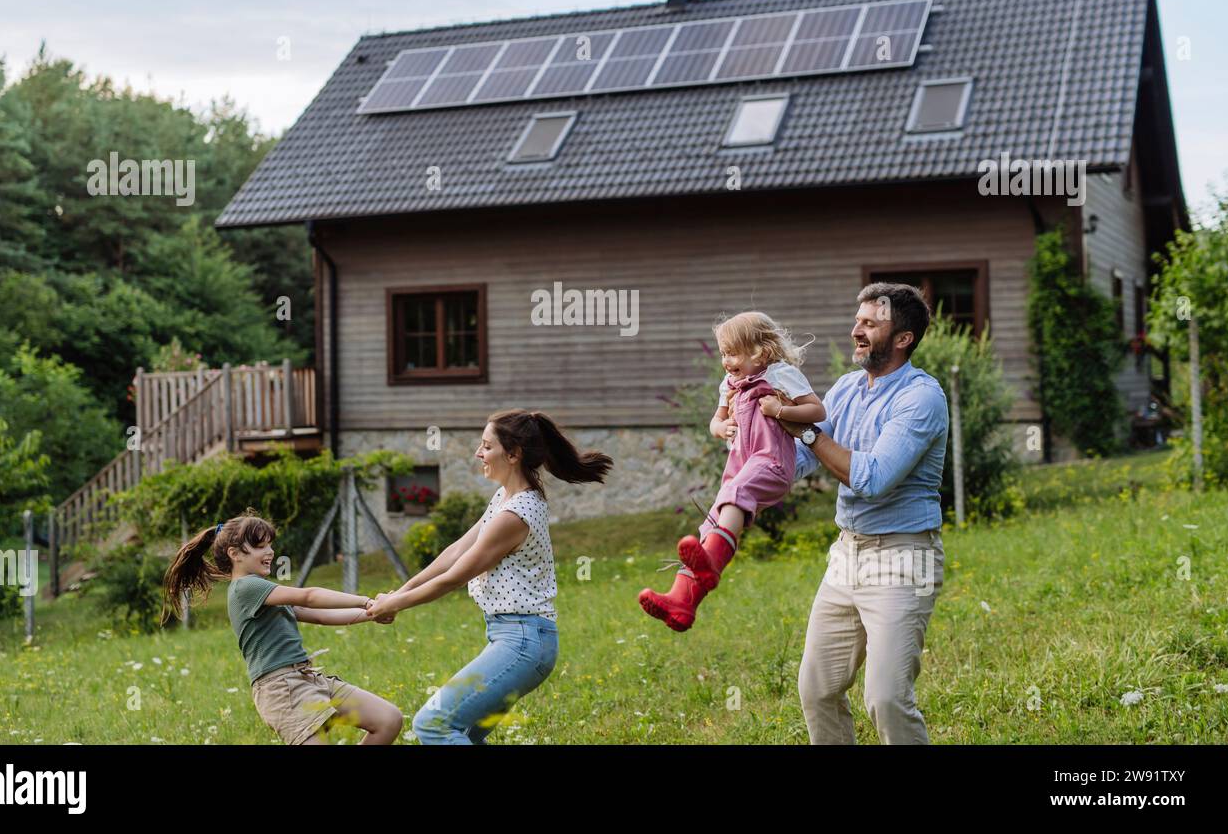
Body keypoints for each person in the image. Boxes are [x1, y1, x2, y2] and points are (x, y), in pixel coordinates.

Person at [365, 409, 612, 744]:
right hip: (514, 638)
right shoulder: (505, 499)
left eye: (486, 446)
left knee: (433, 723)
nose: (477, 453)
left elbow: (454, 576)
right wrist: (399, 592)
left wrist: (396, 604)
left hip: (524, 642)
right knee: (463, 731)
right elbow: (455, 551)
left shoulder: (515, 514)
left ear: (513, 454)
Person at [793, 283, 948, 744]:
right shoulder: (845, 388)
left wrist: (804, 434)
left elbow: (873, 478)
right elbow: (801, 461)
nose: (856, 330)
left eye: (869, 323)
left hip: (903, 558)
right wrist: (755, 437)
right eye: (857, 320)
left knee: (885, 698)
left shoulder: (921, 398)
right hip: (846, 555)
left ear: (903, 339)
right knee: (817, 690)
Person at [639, 311, 825, 632]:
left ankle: (711, 563)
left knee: (734, 496)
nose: (726, 360)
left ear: (761, 352)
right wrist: (721, 426)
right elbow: (715, 421)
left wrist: (780, 409)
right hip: (739, 465)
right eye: (723, 353)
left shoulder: (781, 374)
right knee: (710, 527)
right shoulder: (730, 384)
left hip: (771, 463)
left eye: (733, 352)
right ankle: (681, 602)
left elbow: (817, 410)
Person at [161, 509, 403, 745]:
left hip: (306, 678)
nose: (270, 552)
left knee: (388, 719)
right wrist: (366, 600)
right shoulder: (246, 588)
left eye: (270, 545)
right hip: (281, 689)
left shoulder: (263, 591)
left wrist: (372, 613)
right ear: (235, 554)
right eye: (260, 546)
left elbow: (318, 615)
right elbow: (309, 596)